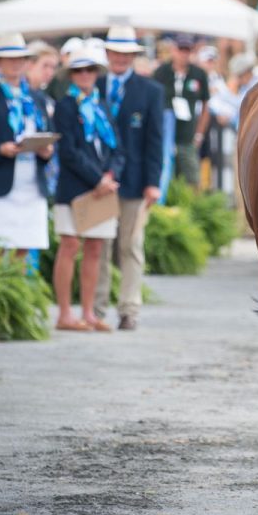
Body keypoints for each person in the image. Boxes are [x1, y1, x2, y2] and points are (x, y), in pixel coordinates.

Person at [92, 25, 164, 331]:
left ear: (133, 56)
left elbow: (155, 139)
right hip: (98, 181)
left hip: (135, 181)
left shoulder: (151, 91)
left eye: (126, 54)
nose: (120, 58)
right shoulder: (91, 85)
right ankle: (95, 309)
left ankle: (128, 309)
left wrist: (153, 182)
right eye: (115, 53)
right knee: (99, 246)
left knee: (131, 246)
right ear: (107, 54)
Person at [52, 49, 124, 333]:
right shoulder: (65, 106)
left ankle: (89, 312)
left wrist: (110, 175)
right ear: (71, 75)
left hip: (102, 189)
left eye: (90, 70)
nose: (85, 75)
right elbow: (68, 151)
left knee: (95, 248)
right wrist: (97, 179)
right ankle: (65, 313)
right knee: (70, 246)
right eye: (79, 71)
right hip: (75, 188)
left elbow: (118, 148)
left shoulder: (102, 106)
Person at [0, 34, 54, 254]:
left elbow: (48, 132)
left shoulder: (37, 99)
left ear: (25, 62)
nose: (15, 64)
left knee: (23, 249)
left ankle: (18, 288)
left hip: (30, 183)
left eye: (19, 59)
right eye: (8, 59)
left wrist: (47, 151)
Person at [154, 34, 210, 186]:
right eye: (181, 49)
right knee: (165, 179)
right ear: (173, 50)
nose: (184, 54)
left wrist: (199, 134)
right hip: (165, 135)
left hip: (188, 137)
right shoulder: (161, 72)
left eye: (187, 50)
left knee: (192, 181)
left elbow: (206, 105)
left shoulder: (199, 74)